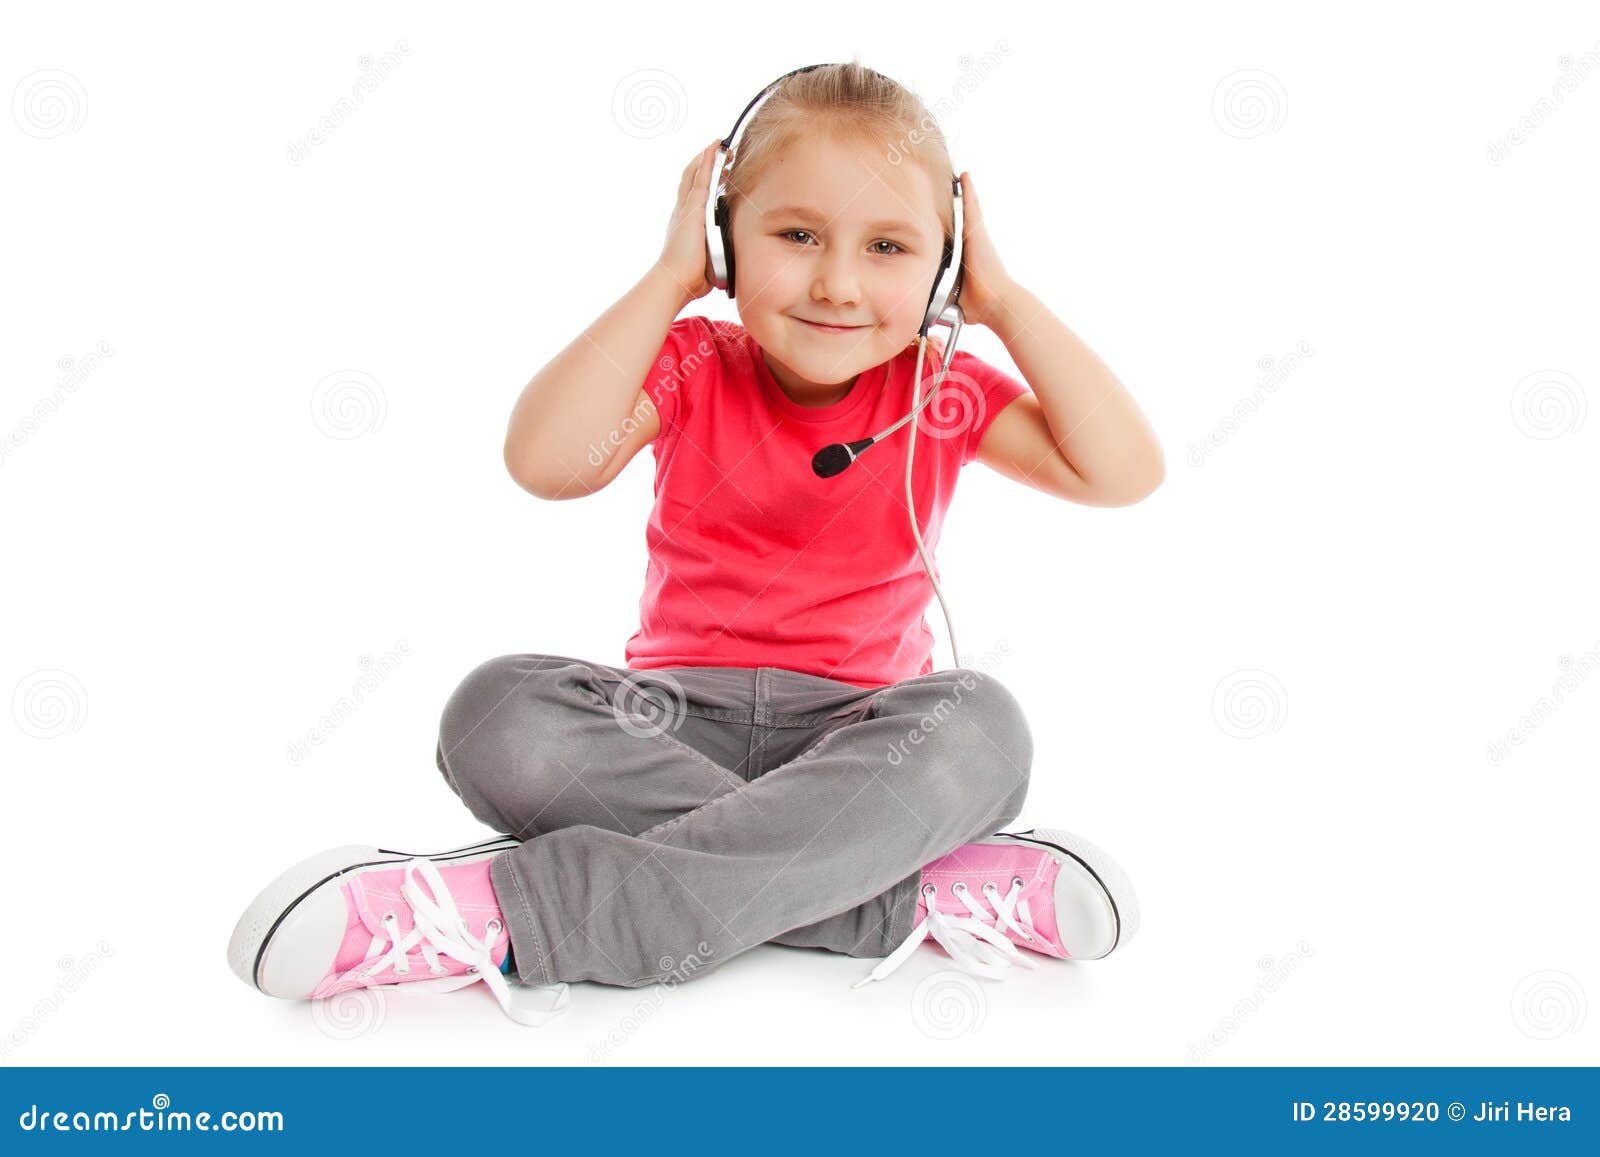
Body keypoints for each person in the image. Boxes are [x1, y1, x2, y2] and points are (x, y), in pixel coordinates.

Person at [227, 62, 1164, 1026]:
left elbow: (1123, 471)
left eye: (888, 246)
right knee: (494, 713)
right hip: (666, 724)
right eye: (796, 236)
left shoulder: (940, 389)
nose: (838, 283)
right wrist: (667, 279)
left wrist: (1001, 299)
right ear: (723, 241)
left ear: (946, 264)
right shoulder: (691, 365)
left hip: (861, 739)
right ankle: (894, 891)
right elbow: (545, 461)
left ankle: (508, 914)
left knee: (982, 729)